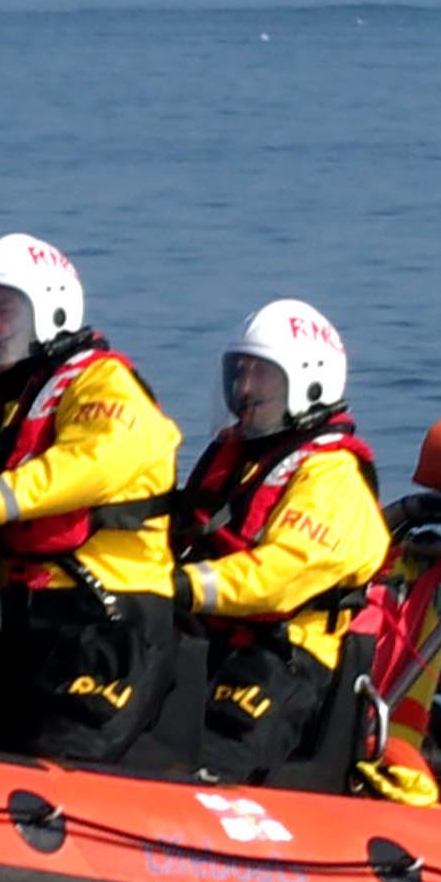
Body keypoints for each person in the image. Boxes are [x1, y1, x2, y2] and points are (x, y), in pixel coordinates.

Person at [0, 234, 187, 767]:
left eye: (2, 312)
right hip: (6, 618)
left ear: (50, 312)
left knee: (53, 753)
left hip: (102, 621)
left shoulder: (106, 387)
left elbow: (80, 466)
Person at [173, 299, 392, 787]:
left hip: (287, 660)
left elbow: (279, 576)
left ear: (309, 383)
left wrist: (178, 586)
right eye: (239, 372)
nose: (244, 389)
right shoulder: (239, 459)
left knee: (210, 757)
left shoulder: (332, 478)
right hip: (214, 641)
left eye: (262, 376)